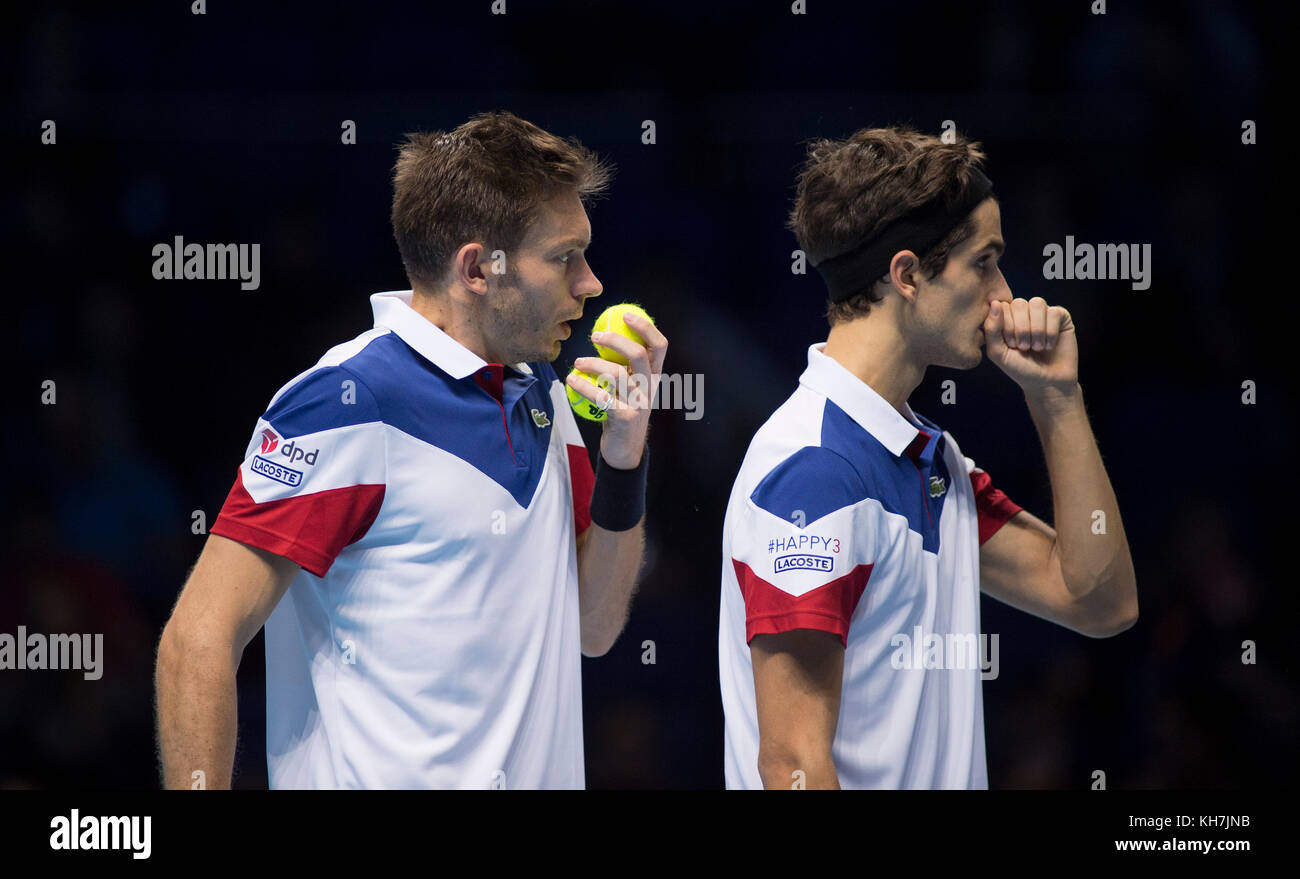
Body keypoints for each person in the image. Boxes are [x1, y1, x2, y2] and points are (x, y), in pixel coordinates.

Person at [155, 111, 667, 789]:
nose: (591, 283)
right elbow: (197, 639)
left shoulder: (544, 395)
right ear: (477, 268)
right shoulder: (344, 401)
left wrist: (624, 461)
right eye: (564, 256)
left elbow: (594, 627)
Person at [718, 125, 1137, 789]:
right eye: (984, 262)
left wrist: (1058, 400)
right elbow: (791, 763)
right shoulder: (814, 469)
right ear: (907, 274)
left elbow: (1100, 600)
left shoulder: (933, 460)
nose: (1004, 294)